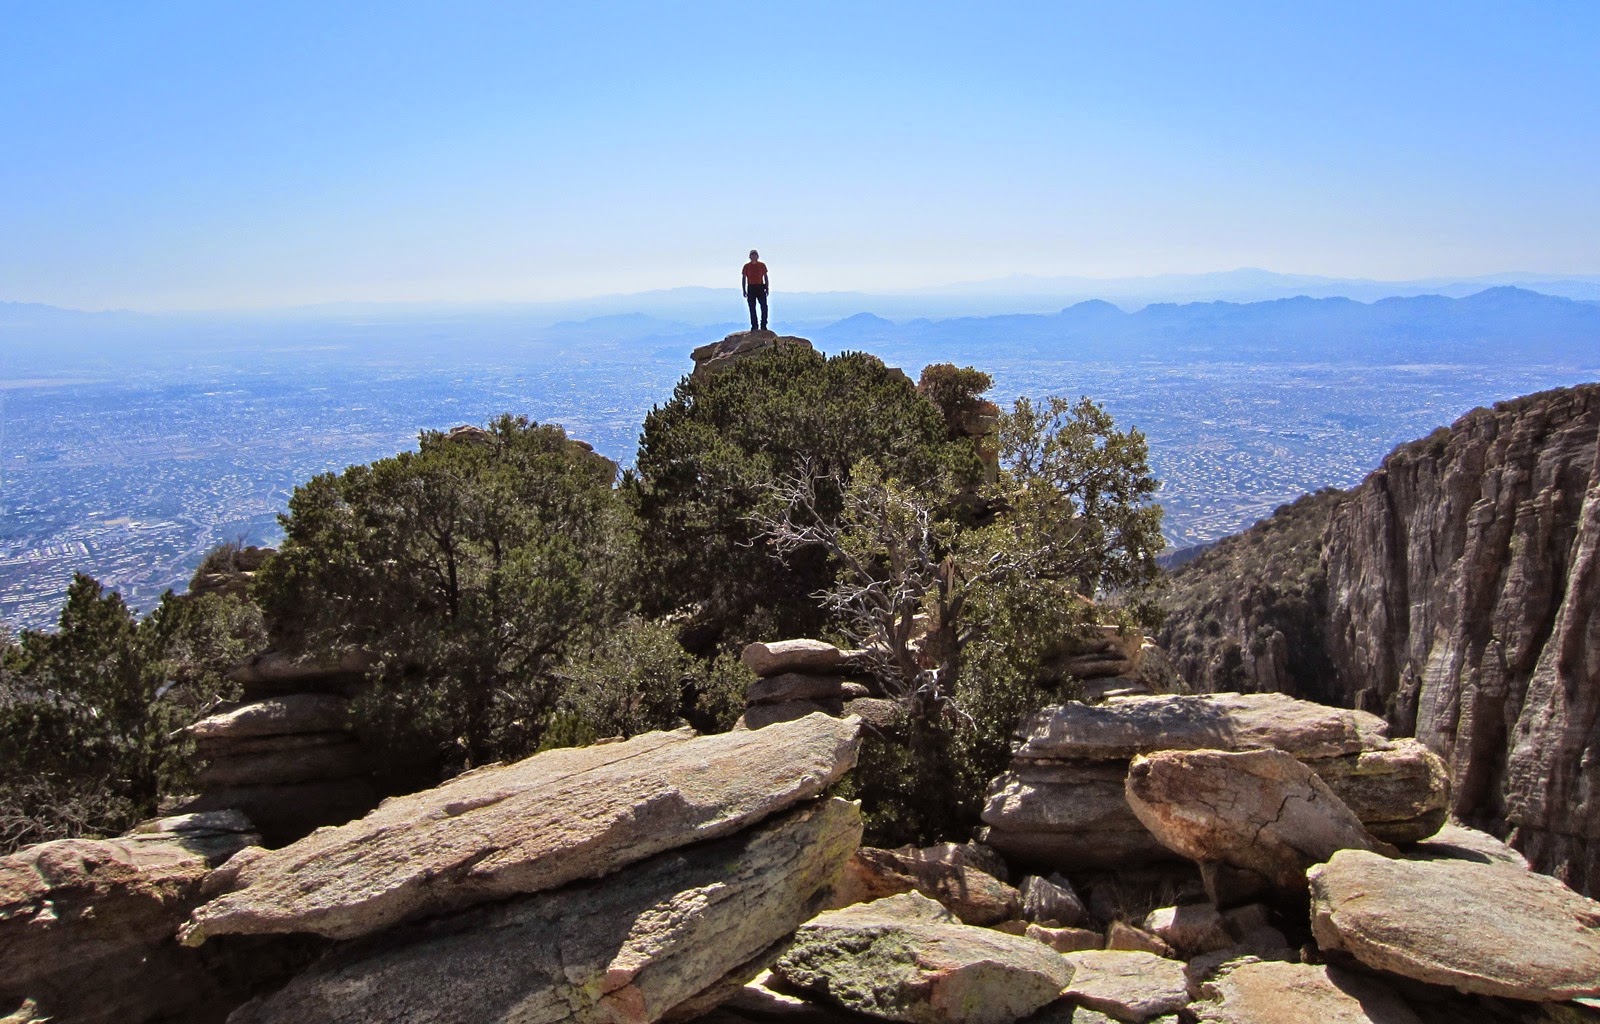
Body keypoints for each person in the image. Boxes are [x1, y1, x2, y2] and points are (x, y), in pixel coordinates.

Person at [741, 249, 769, 331]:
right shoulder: (746, 266)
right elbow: (744, 278)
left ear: (757, 256)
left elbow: (765, 276)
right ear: (750, 256)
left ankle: (763, 325)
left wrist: (767, 287)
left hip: (760, 287)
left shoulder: (762, 265)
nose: (754, 256)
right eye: (752, 255)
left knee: (764, 307)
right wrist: (744, 290)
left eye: (755, 254)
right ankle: (754, 326)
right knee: (752, 308)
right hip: (751, 288)